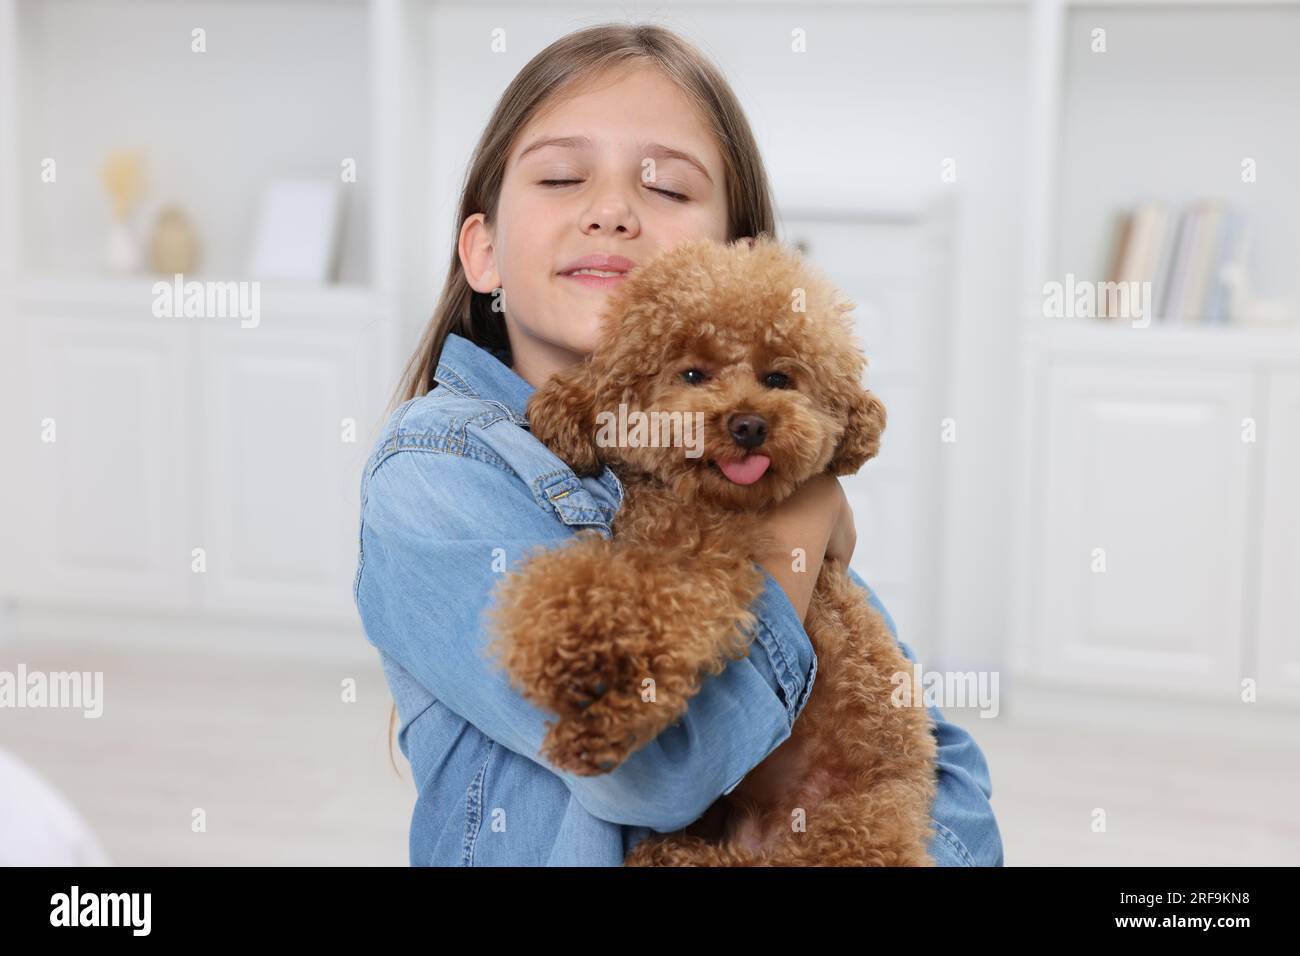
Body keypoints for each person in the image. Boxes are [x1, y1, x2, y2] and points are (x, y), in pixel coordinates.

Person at [353, 23, 1003, 867]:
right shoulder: (435, 474)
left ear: (734, 258)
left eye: (666, 189)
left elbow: (946, 777)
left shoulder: (737, 469)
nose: (613, 212)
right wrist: (803, 527)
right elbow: (652, 774)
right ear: (482, 254)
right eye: (560, 177)